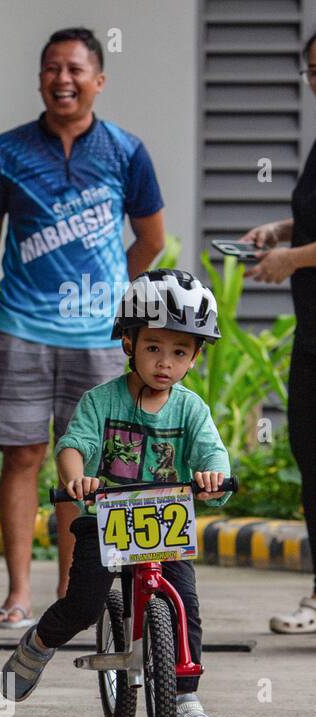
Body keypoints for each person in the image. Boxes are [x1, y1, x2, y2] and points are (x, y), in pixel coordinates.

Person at [0, 27, 166, 630]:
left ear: (98, 81)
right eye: (52, 68)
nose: (63, 79)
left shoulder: (127, 151)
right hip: (22, 326)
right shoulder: (8, 150)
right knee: (22, 456)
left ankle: (72, 591)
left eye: (76, 69)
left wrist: (110, 292)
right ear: (41, 79)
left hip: (101, 337)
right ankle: (19, 592)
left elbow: (151, 238)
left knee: (89, 463)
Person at [0, 270, 231, 717]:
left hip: (166, 521)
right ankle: (37, 644)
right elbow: (73, 445)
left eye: (179, 352)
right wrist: (75, 477)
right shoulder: (100, 402)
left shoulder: (191, 410)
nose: (164, 362)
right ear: (129, 342)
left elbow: (212, 453)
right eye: (153, 347)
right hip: (107, 518)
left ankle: (185, 697)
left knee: (184, 604)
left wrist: (212, 477)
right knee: (83, 602)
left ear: (194, 357)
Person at [243, 30, 316, 635]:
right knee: (308, 453)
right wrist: (281, 230)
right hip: (312, 332)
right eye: (312, 70)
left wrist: (292, 259)